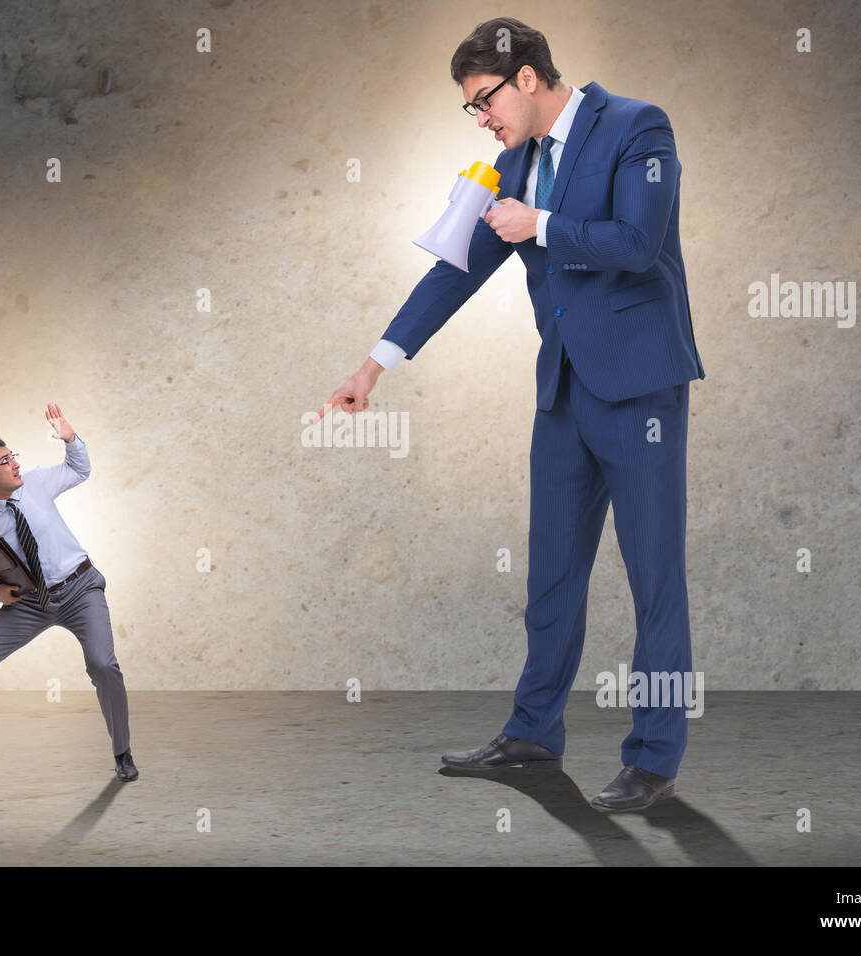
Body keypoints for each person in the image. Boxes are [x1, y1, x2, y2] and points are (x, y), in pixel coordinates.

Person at [321, 18, 704, 811]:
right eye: (471, 108)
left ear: (526, 78)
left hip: (640, 392)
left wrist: (543, 226)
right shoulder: (512, 163)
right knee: (551, 575)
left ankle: (654, 758)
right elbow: (454, 272)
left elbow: (639, 241)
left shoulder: (638, 126)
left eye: (484, 100)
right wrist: (375, 364)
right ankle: (534, 732)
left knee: (654, 581)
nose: (481, 117)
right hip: (563, 390)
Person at [0, 402, 138, 782]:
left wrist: (71, 439)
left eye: (13, 455)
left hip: (80, 589)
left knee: (103, 665)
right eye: (5, 460)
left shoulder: (37, 482)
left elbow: (80, 469)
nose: (15, 464)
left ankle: (123, 752)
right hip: (29, 602)